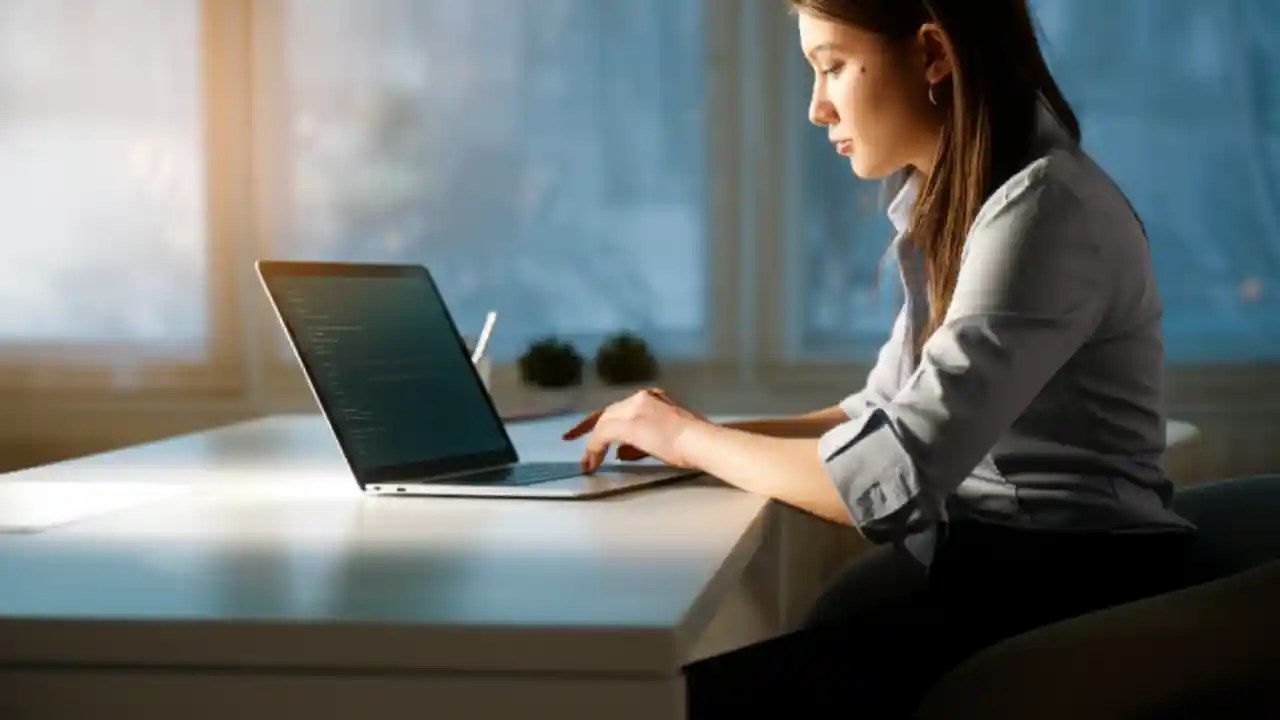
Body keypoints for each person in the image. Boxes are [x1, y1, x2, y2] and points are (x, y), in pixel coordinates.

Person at [562, 0, 1197, 716]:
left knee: (673, 703)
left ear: (933, 53)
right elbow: (877, 415)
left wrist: (693, 440)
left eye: (831, 67)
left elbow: (894, 476)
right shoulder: (962, 197)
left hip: (1070, 599)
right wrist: (692, 436)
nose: (816, 109)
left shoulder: (1042, 212)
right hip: (1002, 579)